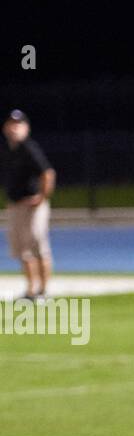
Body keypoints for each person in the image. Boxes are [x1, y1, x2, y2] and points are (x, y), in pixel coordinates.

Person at [2, 110, 55, 300]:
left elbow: (48, 173)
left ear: (26, 127)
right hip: (15, 204)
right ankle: (31, 290)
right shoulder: (7, 150)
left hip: (32, 205)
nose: (14, 128)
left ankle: (44, 290)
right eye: (11, 124)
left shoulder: (29, 148)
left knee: (37, 244)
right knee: (21, 248)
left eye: (18, 124)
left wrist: (42, 197)